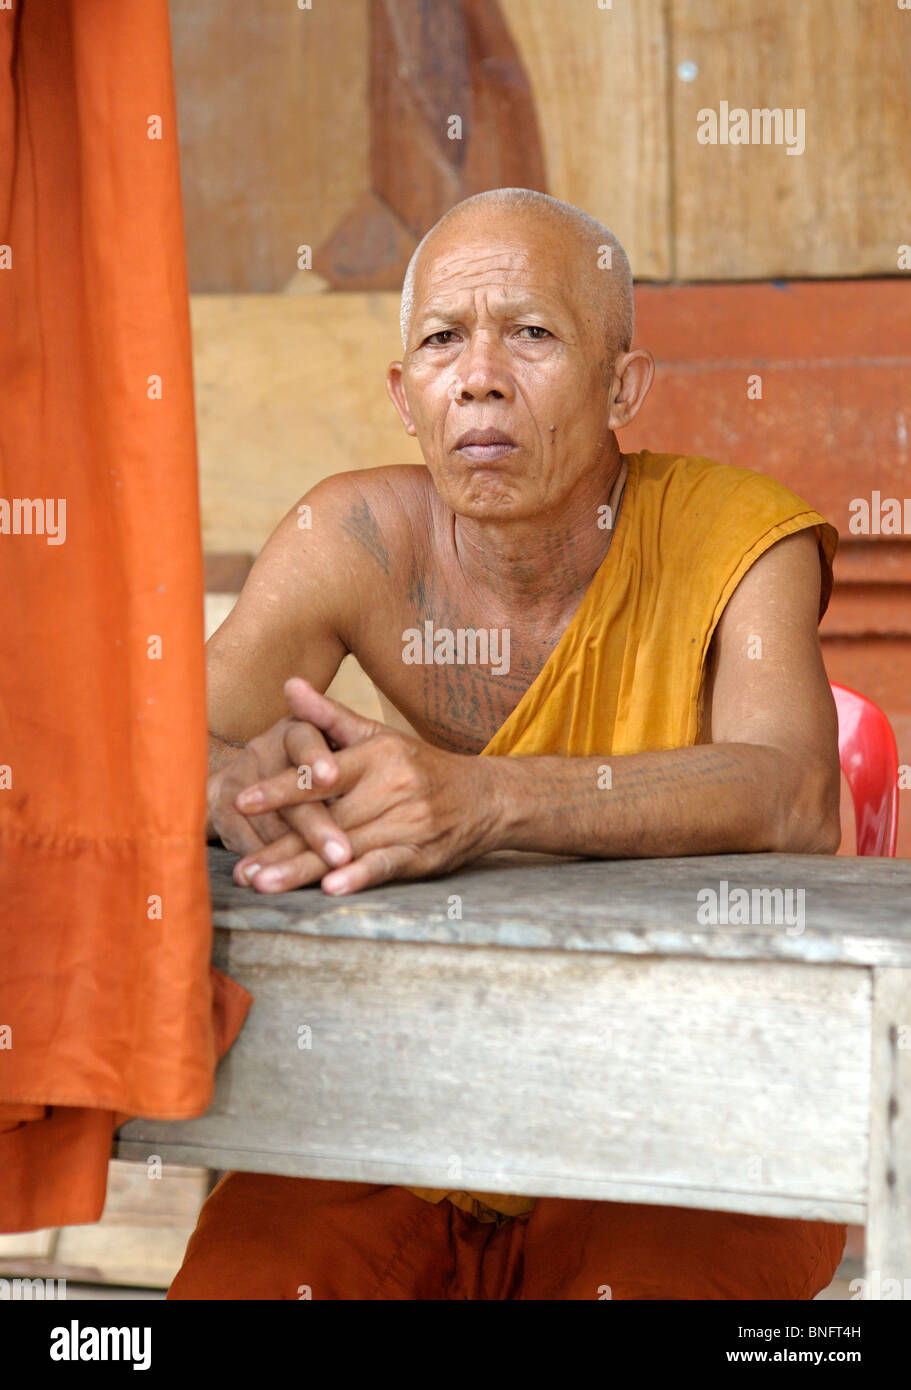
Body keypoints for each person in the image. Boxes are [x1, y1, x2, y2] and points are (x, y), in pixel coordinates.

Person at [168, 188, 845, 1299]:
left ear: (621, 382)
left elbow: (790, 794)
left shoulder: (736, 537)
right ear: (402, 394)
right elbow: (160, 745)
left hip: (679, 1123)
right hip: (406, 1113)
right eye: (441, 340)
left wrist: (481, 802)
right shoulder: (352, 537)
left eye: (529, 333)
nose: (478, 375)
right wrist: (234, 781)